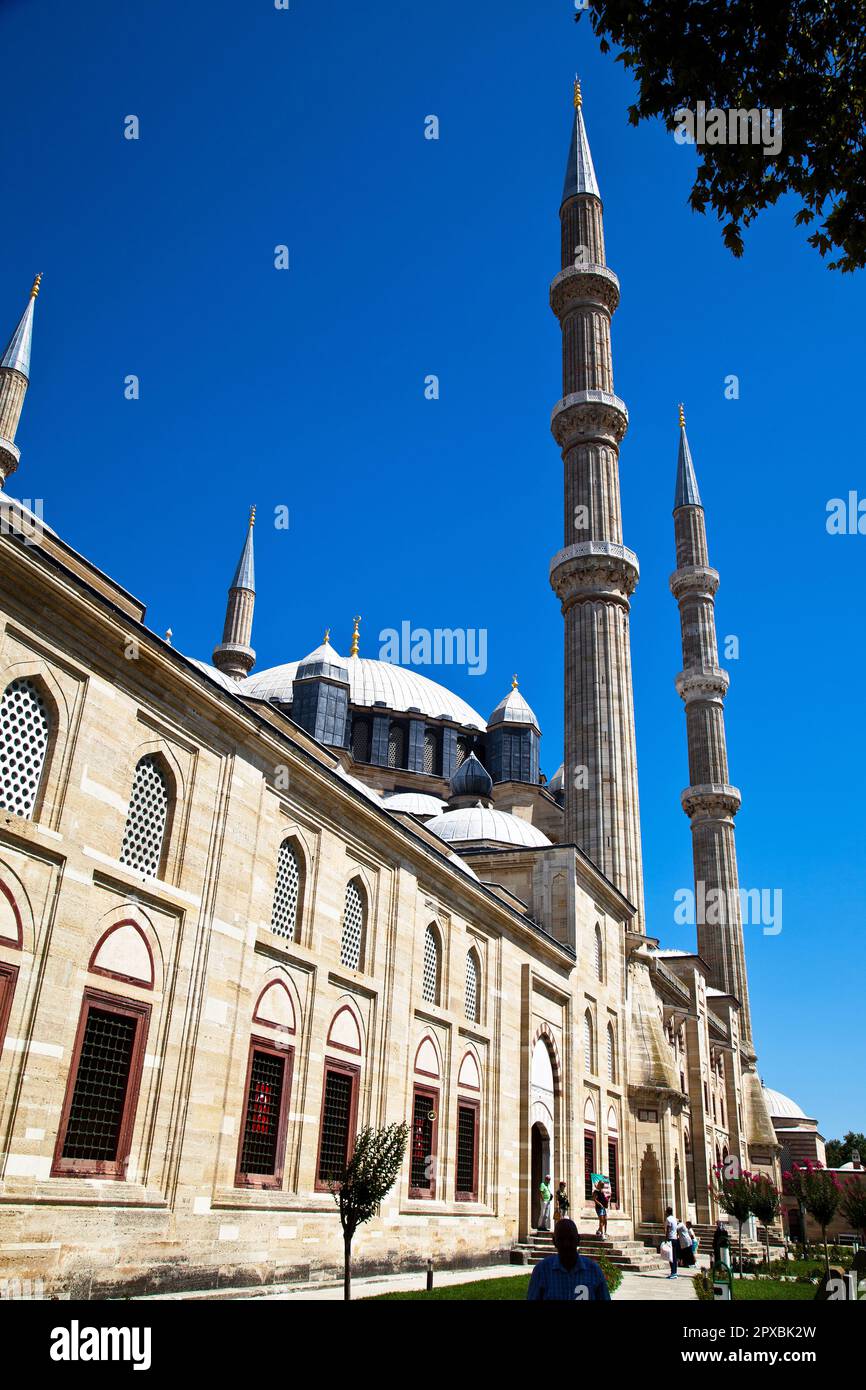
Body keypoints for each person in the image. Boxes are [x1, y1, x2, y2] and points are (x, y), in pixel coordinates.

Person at [527, 1219, 611, 1301]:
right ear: (554, 1241)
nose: (566, 1244)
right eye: (561, 1239)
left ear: (578, 1240)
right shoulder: (542, 1271)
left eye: (571, 1239)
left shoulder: (594, 1271)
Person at [664, 1206, 679, 1278]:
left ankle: (673, 1272)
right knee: (674, 1256)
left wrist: (666, 1239)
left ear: (667, 1212)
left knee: (671, 1256)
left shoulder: (668, 1219)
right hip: (675, 1238)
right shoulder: (674, 1218)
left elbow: (668, 1229)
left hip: (670, 1239)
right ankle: (674, 1272)